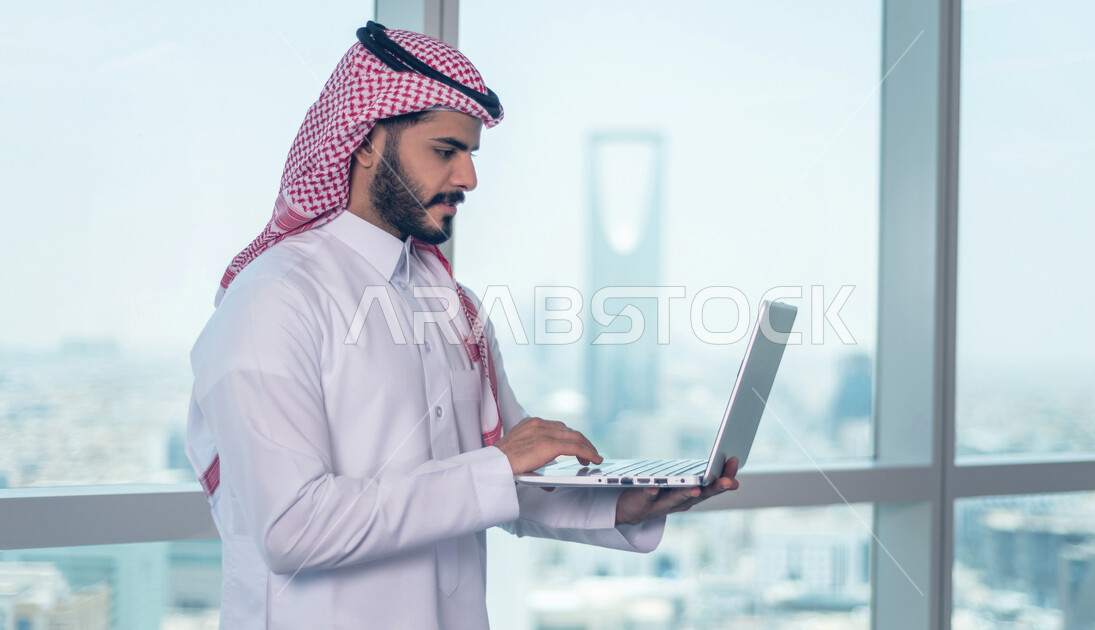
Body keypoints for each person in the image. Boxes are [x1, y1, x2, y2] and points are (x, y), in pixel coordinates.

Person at [186, 22, 739, 628]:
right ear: (367, 143)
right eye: (445, 151)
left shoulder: (454, 304)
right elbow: (293, 528)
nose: (469, 178)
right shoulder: (275, 300)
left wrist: (620, 506)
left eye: (471, 155)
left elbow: (496, 485)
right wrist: (500, 465)